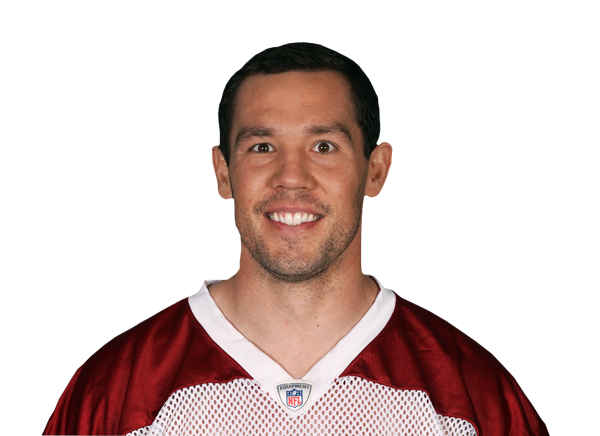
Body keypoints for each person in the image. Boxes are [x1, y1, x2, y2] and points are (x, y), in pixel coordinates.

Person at [43, 42, 550, 436]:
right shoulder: (113, 391)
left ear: (375, 170)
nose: (292, 176)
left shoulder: (474, 396)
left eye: (323, 146)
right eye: (262, 146)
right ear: (224, 173)